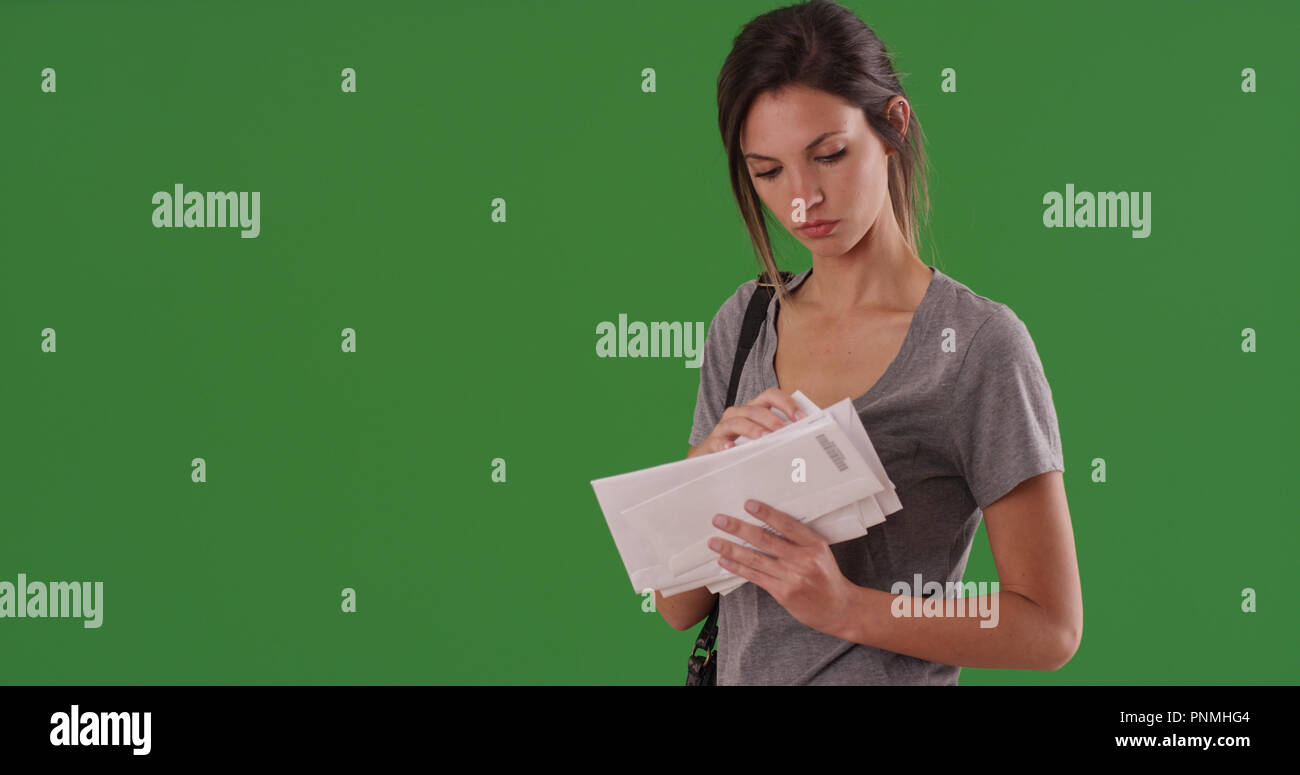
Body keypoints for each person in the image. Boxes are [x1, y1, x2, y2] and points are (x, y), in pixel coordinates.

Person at [655, 0, 1082, 685]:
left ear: (893, 126)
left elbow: (1050, 626)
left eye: (828, 155)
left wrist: (847, 608)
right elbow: (677, 605)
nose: (801, 200)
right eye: (768, 171)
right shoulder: (743, 322)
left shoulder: (977, 347)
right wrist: (706, 466)